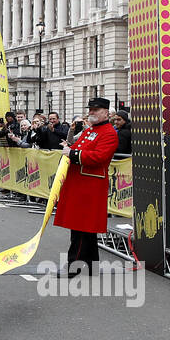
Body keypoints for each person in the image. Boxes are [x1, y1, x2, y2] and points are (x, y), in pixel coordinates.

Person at [53, 97, 119, 277]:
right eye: (90, 109)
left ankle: (74, 265)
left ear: (106, 113)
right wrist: (69, 148)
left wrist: (73, 153)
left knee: (81, 227)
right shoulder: (90, 130)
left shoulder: (109, 132)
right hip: (80, 182)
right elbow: (78, 147)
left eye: (96, 109)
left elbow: (99, 157)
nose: (91, 112)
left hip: (91, 185)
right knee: (85, 228)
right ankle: (91, 265)